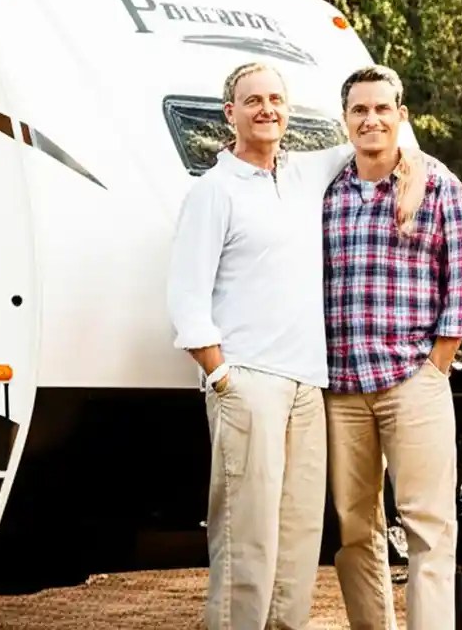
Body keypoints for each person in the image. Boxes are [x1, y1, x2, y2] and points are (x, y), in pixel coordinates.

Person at [167, 62, 364, 628]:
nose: (267, 109)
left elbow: (372, 136)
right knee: (246, 538)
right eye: (252, 100)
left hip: (308, 383)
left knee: (300, 537)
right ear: (230, 112)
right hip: (248, 380)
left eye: (276, 98)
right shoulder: (213, 191)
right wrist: (222, 377)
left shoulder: (304, 174)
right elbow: (187, 297)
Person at [322, 64, 462, 629]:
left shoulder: (436, 183)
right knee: (354, 528)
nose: (371, 119)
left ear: (401, 115)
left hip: (412, 382)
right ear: (345, 120)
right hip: (342, 388)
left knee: (428, 525)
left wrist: (435, 366)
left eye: (381, 108)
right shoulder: (329, 192)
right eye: (359, 110)